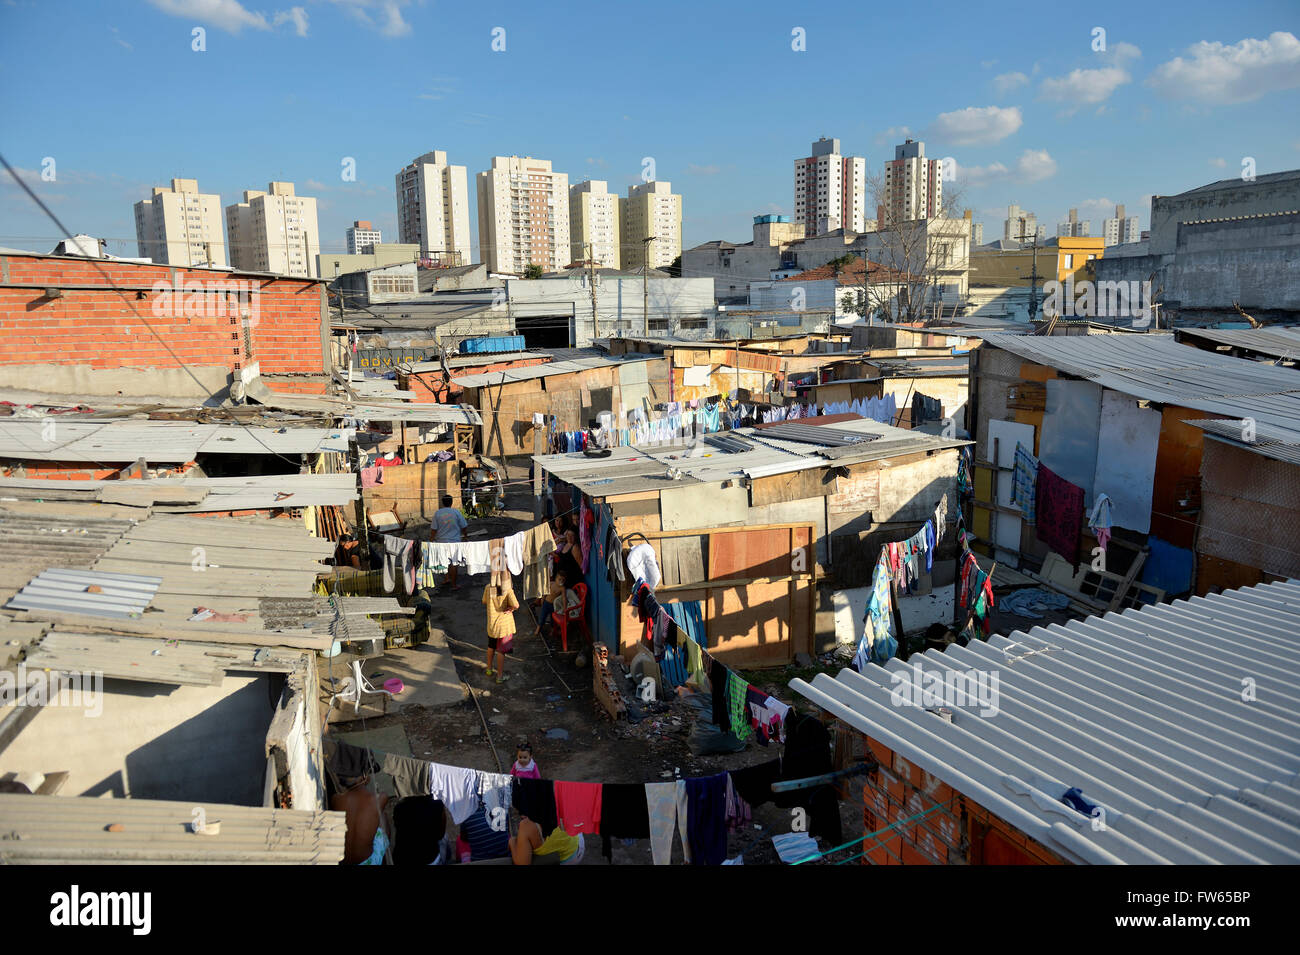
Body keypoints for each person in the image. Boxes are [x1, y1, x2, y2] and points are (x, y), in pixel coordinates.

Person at [331, 775, 390, 865]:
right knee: (382, 816)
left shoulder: (335, 798)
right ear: (364, 777)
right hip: (367, 862)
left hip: (341, 861)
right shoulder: (381, 797)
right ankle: (384, 859)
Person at [482, 577, 519, 684]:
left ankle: (489, 669)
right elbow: (516, 605)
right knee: (501, 651)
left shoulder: (488, 587)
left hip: (492, 625)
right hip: (504, 626)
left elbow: (484, 601)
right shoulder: (508, 590)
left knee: (491, 646)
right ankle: (499, 676)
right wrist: (511, 608)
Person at [456, 797, 510, 863]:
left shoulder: (466, 812)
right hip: (506, 859)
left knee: (460, 840)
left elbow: (464, 838)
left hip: (479, 861)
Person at [432, 494, 468, 590]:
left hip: (441, 541)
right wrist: (465, 536)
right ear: (451, 502)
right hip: (454, 542)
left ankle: (447, 578)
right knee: (454, 563)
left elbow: (434, 529)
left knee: (445, 561)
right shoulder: (456, 512)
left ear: (442, 503)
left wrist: (431, 539)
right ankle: (454, 585)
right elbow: (464, 526)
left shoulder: (437, 513)